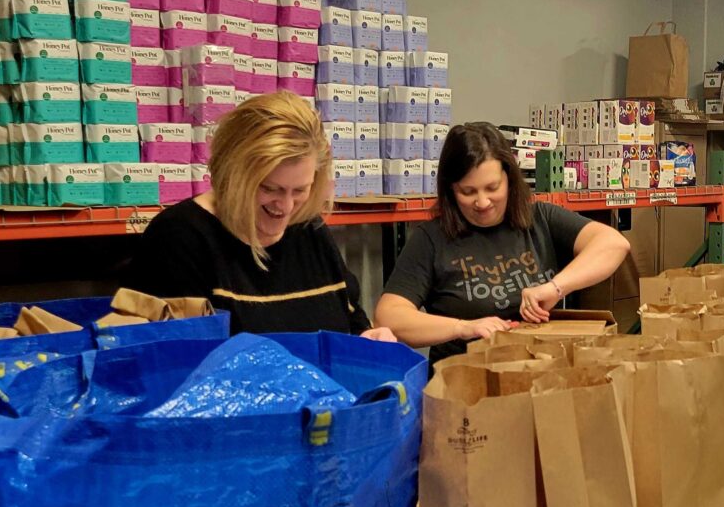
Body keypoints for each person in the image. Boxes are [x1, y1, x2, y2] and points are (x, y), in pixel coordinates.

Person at [126, 91, 394, 341]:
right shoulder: (179, 239)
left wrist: (366, 339)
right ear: (232, 175)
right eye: (269, 188)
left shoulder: (308, 229)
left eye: (300, 189)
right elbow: (171, 361)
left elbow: (350, 319)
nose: (287, 206)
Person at [372, 122, 631, 363]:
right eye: (468, 192)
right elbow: (389, 316)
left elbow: (613, 244)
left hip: (539, 374)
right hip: (464, 382)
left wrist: (555, 288)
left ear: (509, 178)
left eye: (492, 187)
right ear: (450, 190)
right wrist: (463, 327)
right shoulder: (431, 239)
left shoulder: (540, 218)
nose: (482, 203)